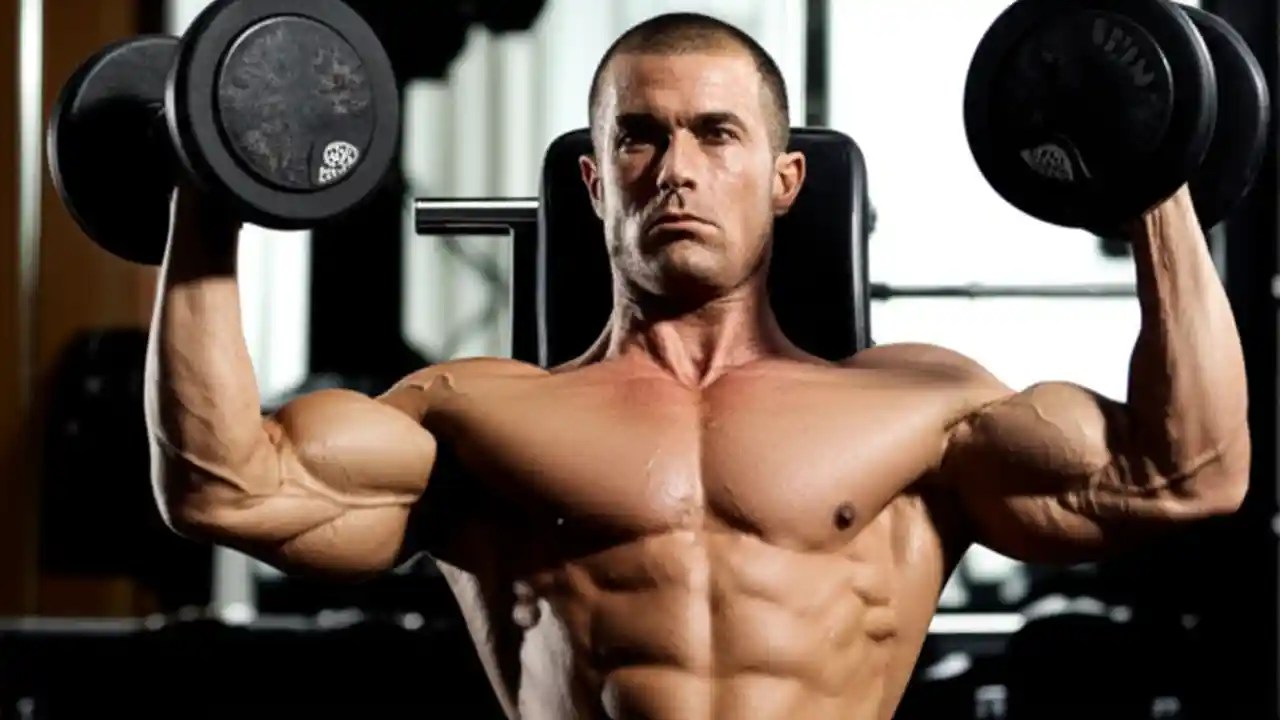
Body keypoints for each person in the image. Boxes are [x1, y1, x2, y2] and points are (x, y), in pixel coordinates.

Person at [145, 11, 1250, 720]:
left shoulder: (922, 407)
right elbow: (224, 484)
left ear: (782, 179)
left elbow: (1185, 474)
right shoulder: (474, 419)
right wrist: (207, 186)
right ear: (592, 183)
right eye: (639, 136)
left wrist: (1151, 176)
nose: (675, 169)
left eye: (717, 135)